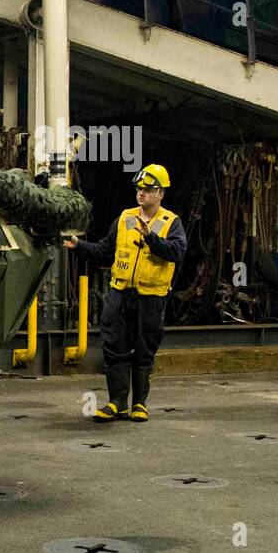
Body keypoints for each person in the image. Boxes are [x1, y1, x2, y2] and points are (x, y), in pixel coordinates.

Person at [63, 165, 187, 422]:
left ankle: (139, 404)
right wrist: (79, 246)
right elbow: (105, 250)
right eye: (139, 189)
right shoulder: (125, 218)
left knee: (144, 350)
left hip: (151, 297)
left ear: (161, 193)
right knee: (114, 347)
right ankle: (116, 403)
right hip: (120, 293)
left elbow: (176, 252)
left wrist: (150, 238)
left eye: (148, 190)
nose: (141, 194)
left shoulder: (171, 223)